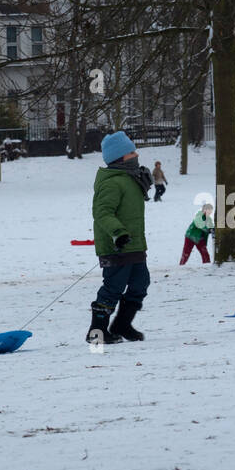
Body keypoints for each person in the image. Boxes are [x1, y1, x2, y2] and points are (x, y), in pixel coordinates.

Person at [89, 131, 153, 344]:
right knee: (113, 288)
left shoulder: (130, 179)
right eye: (131, 152)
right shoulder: (112, 183)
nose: (136, 154)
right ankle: (97, 331)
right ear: (120, 157)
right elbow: (102, 212)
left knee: (140, 283)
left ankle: (122, 324)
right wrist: (118, 233)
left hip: (134, 245)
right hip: (116, 246)